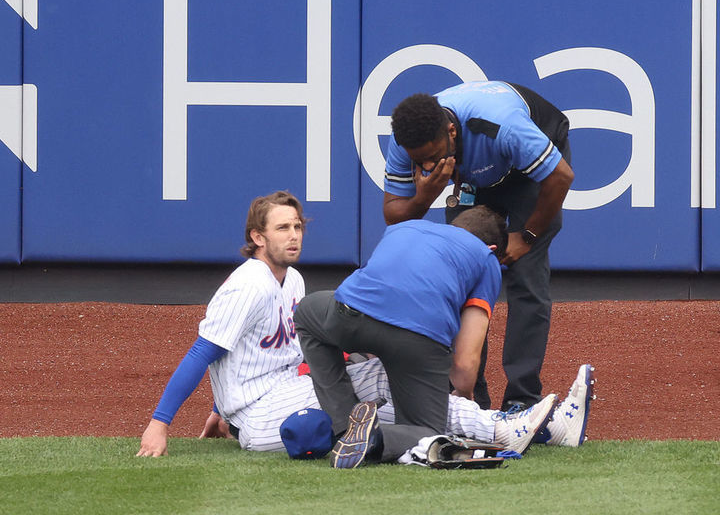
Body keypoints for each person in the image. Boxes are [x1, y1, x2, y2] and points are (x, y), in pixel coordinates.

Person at [137, 192, 592, 458]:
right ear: (257, 238)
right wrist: (160, 424)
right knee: (388, 398)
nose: (293, 235)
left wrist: (220, 408)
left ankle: (508, 425)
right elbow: (204, 352)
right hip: (261, 415)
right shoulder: (248, 285)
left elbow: (266, 354)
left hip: (276, 395)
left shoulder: (292, 280)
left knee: (378, 372)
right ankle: (504, 428)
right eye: (281, 229)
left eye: (297, 225)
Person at [294, 206, 560, 468]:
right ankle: (375, 437)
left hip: (350, 315)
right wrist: (464, 393)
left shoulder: (404, 227)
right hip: (418, 341)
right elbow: (466, 362)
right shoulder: (486, 258)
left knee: (306, 313)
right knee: (427, 431)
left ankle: (343, 426)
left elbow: (382, 286)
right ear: (493, 250)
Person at [384, 81, 575, 412]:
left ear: (451, 132)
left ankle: (522, 400)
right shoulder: (408, 139)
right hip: (474, 180)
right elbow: (394, 215)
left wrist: (527, 235)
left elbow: (560, 177)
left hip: (529, 176)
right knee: (460, 277)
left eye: (432, 157)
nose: (427, 168)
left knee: (525, 276)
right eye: (420, 162)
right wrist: (426, 195)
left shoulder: (501, 125)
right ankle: (468, 399)